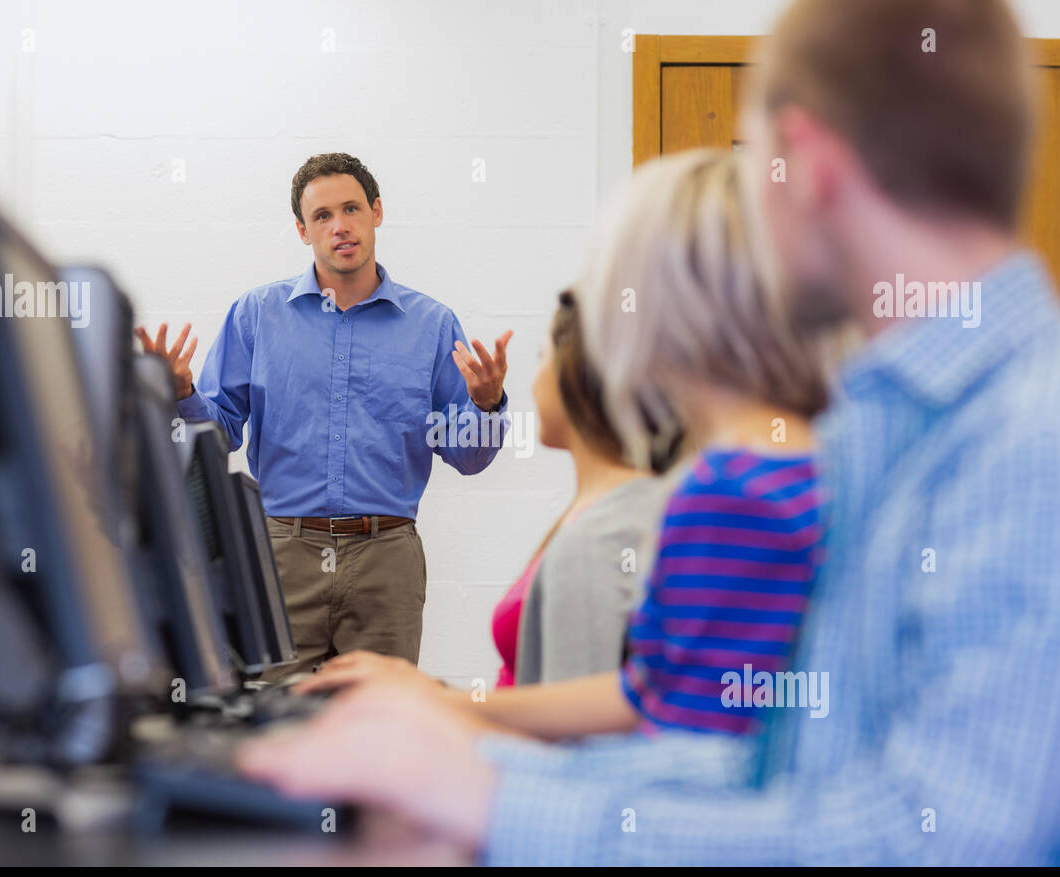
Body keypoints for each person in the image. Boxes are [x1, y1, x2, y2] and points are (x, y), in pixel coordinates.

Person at [239, 0, 1060, 865]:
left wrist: (493, 798)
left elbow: (945, 846)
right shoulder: (883, 420)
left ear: (811, 165)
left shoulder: (1050, 430)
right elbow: (770, 768)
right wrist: (457, 745)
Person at [300, 151, 835, 752]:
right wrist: (439, 703)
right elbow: (647, 697)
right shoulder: (727, 481)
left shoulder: (730, 497)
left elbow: (633, 752)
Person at [136, 153, 512, 679]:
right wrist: (179, 394)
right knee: (272, 728)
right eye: (322, 216)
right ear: (302, 229)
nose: (340, 227)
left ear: (376, 212)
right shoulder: (256, 316)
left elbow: (468, 458)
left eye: (352, 208)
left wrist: (487, 404)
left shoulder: (432, 325)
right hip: (282, 556)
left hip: (387, 559)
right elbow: (217, 435)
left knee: (382, 730)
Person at [302, 288, 669, 695]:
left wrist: (433, 700)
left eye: (542, 359)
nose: (532, 379)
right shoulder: (590, 514)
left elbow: (572, 720)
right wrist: (428, 694)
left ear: (580, 384)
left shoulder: (601, 535)